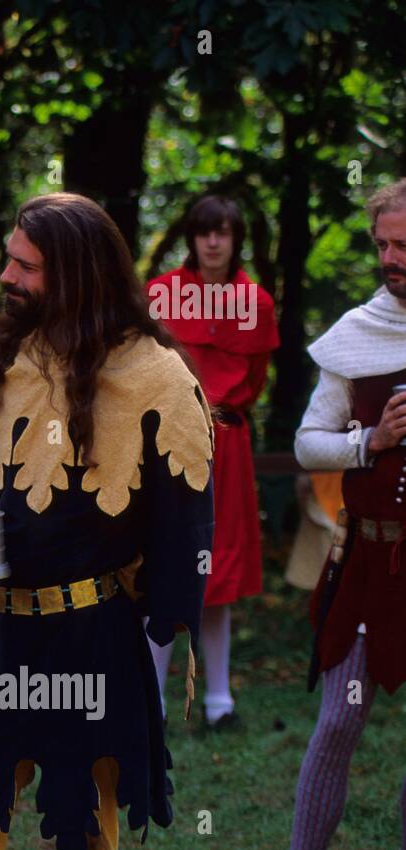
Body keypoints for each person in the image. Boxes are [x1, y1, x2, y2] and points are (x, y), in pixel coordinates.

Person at [0, 193, 214, 850]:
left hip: (88, 636)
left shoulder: (155, 376)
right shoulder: (9, 356)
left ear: (78, 273)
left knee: (85, 842)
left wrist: (164, 609)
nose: (7, 278)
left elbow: (182, 520)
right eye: (8, 261)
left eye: (26, 266)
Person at [289, 178, 406, 850]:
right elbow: (308, 442)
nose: (392, 257)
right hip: (366, 561)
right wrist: (372, 443)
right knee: (337, 722)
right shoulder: (357, 337)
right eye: (384, 244)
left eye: (404, 245)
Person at [146, 194, 278, 729]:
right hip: (166, 439)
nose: (214, 241)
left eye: (224, 231)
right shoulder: (160, 295)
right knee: (159, 564)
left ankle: (219, 700)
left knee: (218, 569)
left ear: (236, 237)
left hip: (227, 441)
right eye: (205, 231)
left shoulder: (257, 302)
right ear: (192, 237)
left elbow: (258, 379)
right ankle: (150, 699)